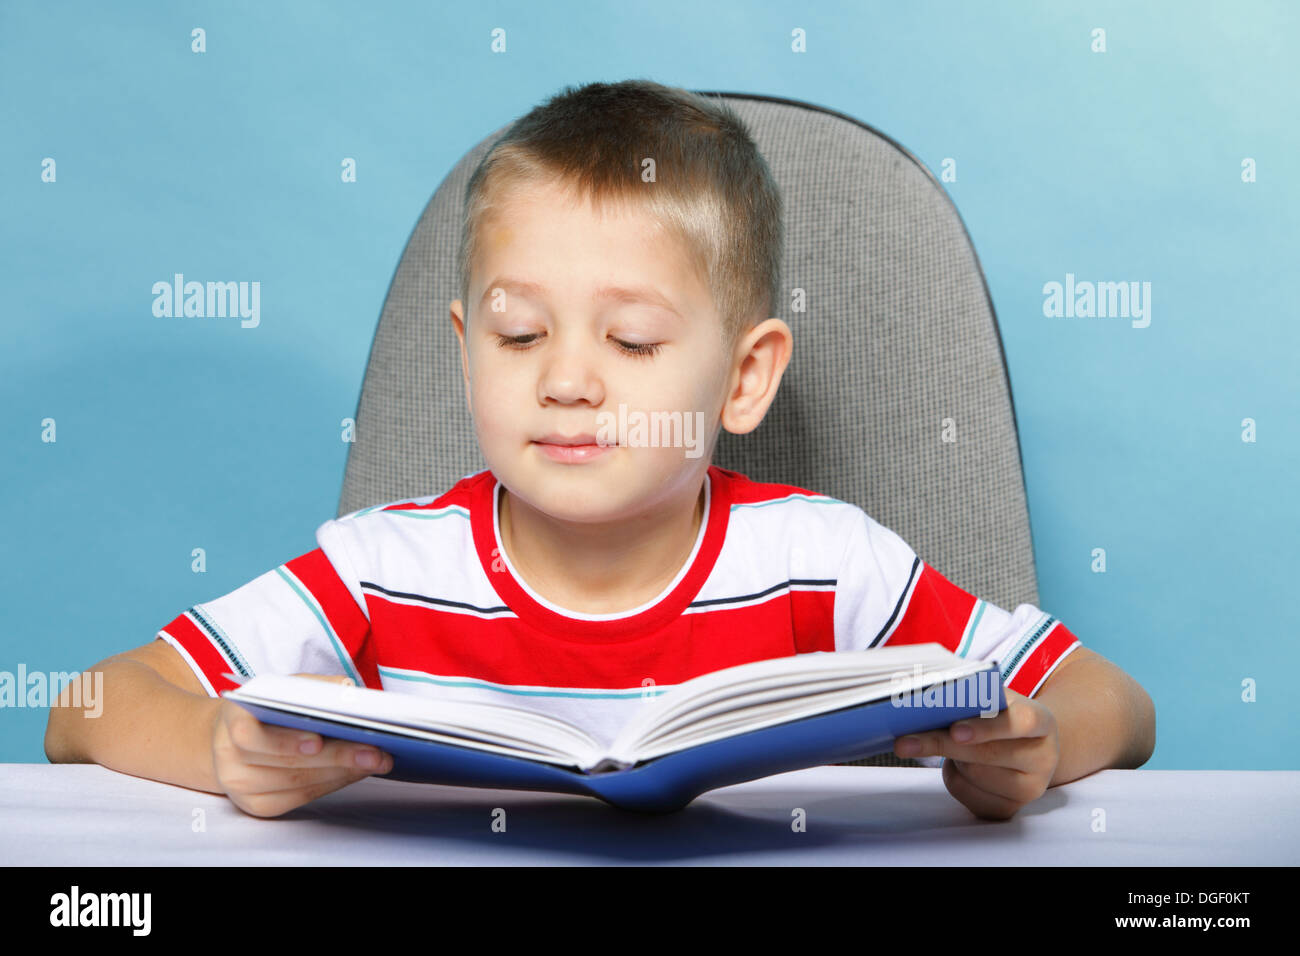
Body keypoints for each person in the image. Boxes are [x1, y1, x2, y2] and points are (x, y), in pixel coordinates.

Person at [45, 79, 1155, 821]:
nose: (567, 378)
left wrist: (1039, 744)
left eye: (629, 340)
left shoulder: (825, 562)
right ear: (466, 345)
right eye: (519, 333)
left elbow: (1117, 699)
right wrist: (221, 748)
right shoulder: (381, 568)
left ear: (744, 377)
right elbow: (84, 705)